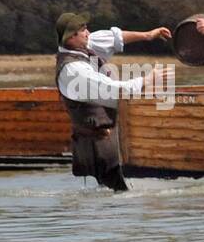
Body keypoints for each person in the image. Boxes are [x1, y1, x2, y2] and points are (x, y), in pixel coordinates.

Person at [55, 12, 171, 191]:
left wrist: (148, 35)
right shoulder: (73, 70)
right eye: (83, 31)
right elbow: (113, 91)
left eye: (86, 29)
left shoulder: (82, 45)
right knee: (110, 199)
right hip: (97, 148)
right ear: (71, 37)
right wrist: (146, 80)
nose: (88, 34)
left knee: (114, 196)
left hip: (108, 144)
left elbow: (114, 38)